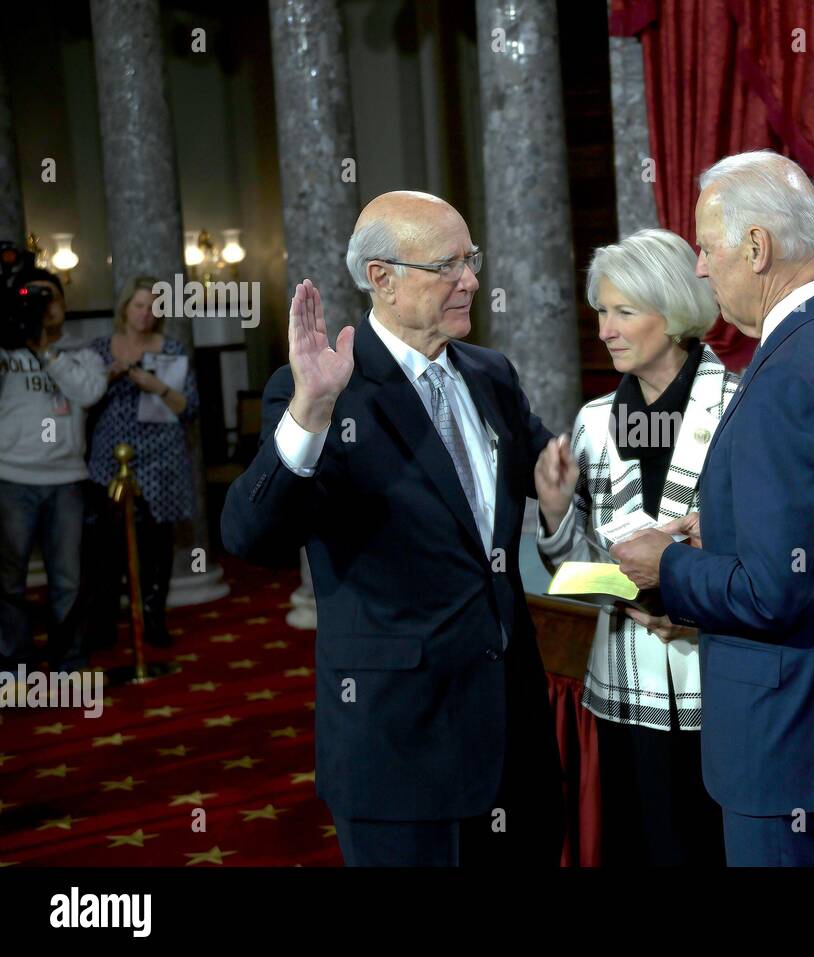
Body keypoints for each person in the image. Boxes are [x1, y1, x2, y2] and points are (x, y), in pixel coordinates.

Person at [221, 191, 563, 867]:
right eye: (448, 265)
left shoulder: (492, 375)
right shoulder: (321, 392)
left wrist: (561, 498)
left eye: (472, 259)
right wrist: (310, 412)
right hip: (403, 755)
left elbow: (546, 489)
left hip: (514, 741)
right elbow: (248, 537)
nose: (470, 279)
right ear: (383, 278)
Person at [611, 150, 814, 867]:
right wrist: (718, 527)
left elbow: (773, 591)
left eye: (707, 247)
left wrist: (669, 567)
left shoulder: (788, 373)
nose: (699, 268)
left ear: (757, 248)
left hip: (790, 750)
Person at [534, 228, 737, 865]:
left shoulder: (741, 407)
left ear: (674, 313)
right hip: (625, 688)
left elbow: (772, 557)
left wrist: (698, 607)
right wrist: (555, 508)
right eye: (601, 311)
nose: (605, 330)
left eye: (624, 311)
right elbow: (573, 570)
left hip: (722, 683)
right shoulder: (594, 420)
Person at [84, 277, 199, 650]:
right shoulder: (100, 349)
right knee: (107, 545)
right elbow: (78, 402)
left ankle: (153, 619)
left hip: (160, 458)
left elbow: (190, 409)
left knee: (155, 545)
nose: (145, 313)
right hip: (110, 459)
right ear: (124, 309)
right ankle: (104, 623)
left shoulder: (173, 350)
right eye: (138, 305)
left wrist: (157, 387)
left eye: (153, 306)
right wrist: (109, 376)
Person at [0, 269, 106, 670]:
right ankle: (13, 662)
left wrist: (46, 351)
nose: (44, 305)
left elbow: (90, 392)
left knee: (68, 580)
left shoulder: (84, 352)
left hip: (67, 479)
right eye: (34, 297)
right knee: (9, 580)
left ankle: (70, 660)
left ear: (64, 304)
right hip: (11, 476)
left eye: (51, 297)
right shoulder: (6, 353)